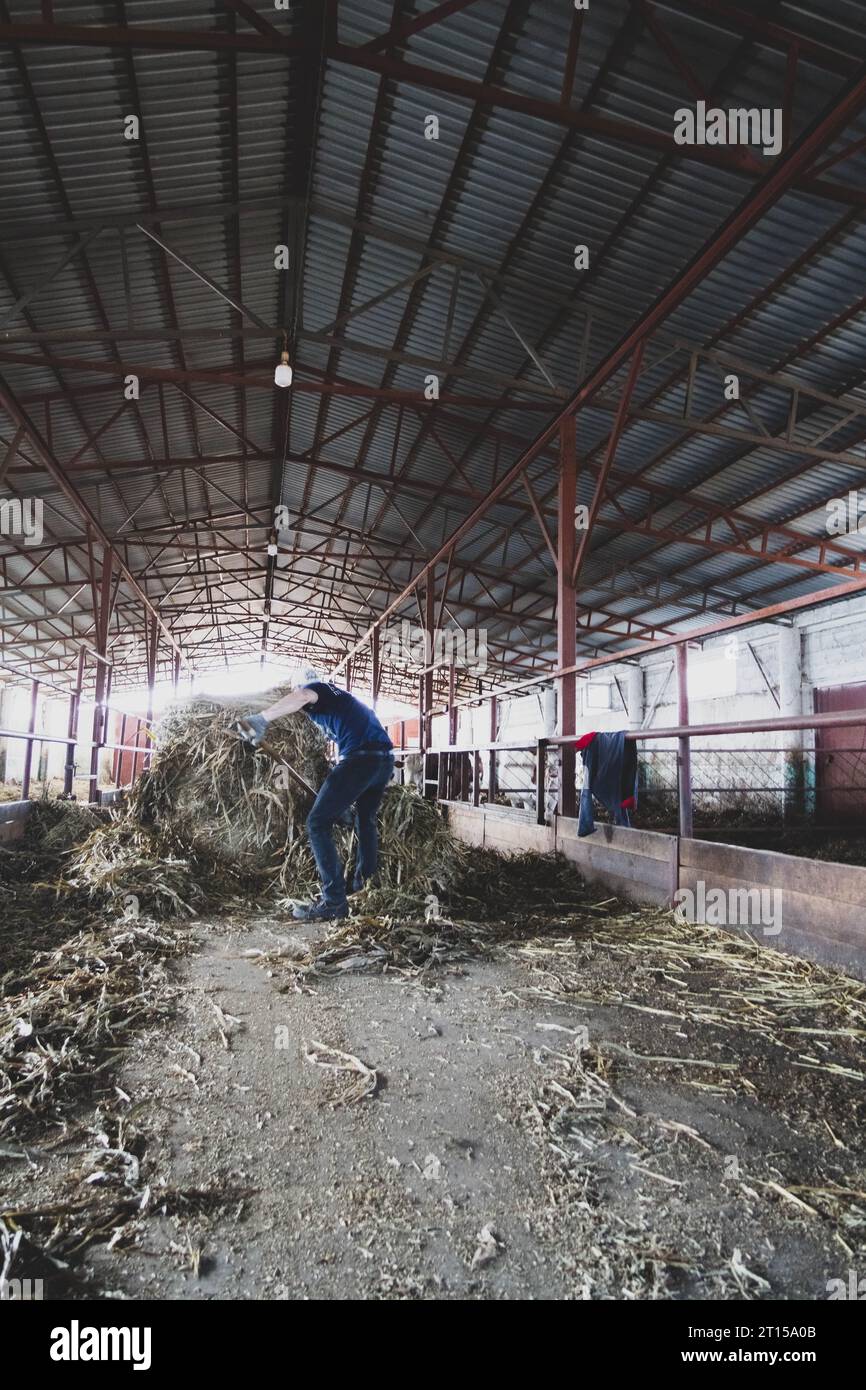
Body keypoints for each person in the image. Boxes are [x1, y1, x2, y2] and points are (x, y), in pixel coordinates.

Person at [240, 681, 394, 921]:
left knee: (317, 824)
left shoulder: (317, 689)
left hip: (360, 759)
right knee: (365, 821)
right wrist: (340, 801)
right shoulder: (341, 703)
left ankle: (334, 901)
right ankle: (365, 888)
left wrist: (262, 718)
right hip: (383, 761)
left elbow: (302, 695)